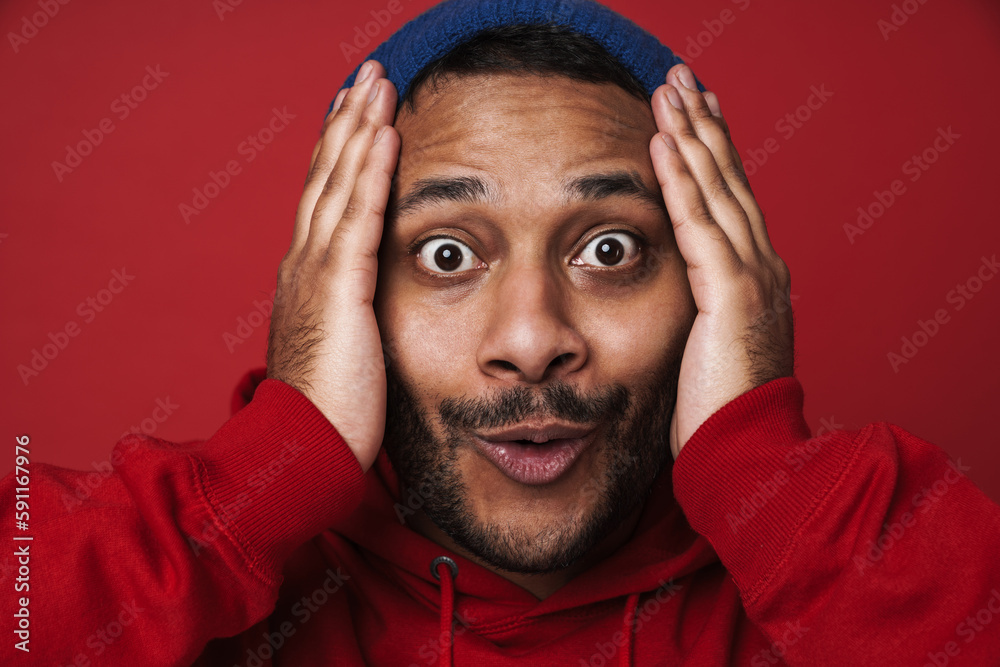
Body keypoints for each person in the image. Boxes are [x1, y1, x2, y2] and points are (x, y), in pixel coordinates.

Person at [4, 0, 1000, 665]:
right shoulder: (228, 596)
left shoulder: (834, 576)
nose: (530, 339)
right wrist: (239, 495)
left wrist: (778, 492)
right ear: (338, 292)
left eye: (608, 249)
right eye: (446, 254)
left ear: (716, 286)